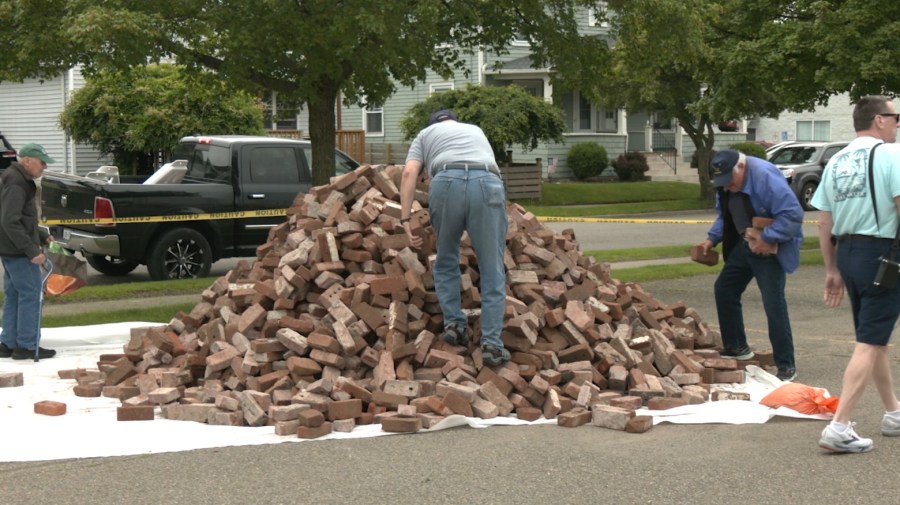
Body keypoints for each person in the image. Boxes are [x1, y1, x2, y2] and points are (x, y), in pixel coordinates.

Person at [810, 95, 900, 453]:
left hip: (848, 253)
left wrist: (831, 268)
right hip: (883, 254)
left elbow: (824, 220)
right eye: (896, 117)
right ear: (879, 120)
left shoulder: (837, 160)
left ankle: (893, 411)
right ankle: (839, 426)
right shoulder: (891, 155)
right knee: (870, 341)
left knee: (872, 334)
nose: (897, 123)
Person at [399, 109, 510, 366]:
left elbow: (408, 173)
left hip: (446, 181)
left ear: (432, 124)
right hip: (487, 182)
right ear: (454, 122)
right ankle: (492, 345)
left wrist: (405, 219)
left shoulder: (425, 135)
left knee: (446, 257)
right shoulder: (475, 130)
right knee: (492, 267)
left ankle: (455, 327)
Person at [694, 149, 804, 381]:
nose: (726, 187)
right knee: (725, 289)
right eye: (721, 182)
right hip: (745, 244)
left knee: (773, 303)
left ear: (741, 168)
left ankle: (786, 365)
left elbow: (792, 215)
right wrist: (711, 238)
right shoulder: (725, 181)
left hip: (772, 248)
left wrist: (768, 238)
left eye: (729, 181)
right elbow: (725, 215)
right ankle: (737, 348)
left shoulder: (765, 177)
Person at [0, 143, 56, 360]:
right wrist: (32, 250)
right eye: (42, 163)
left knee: (14, 295)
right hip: (18, 251)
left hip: (9, 249)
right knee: (31, 294)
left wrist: (41, 235)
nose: (44, 167)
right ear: (27, 160)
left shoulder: (14, 178)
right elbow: (9, 221)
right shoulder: (17, 183)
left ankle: (8, 343)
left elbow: (19, 218)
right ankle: (26, 345)